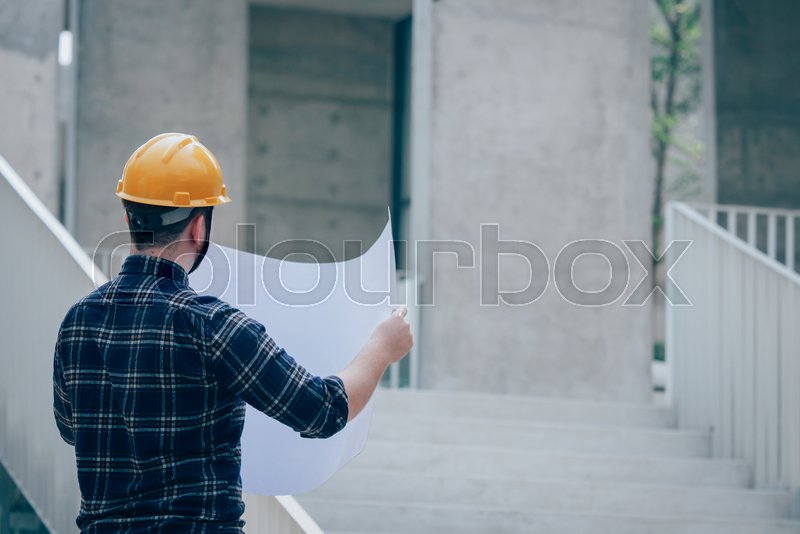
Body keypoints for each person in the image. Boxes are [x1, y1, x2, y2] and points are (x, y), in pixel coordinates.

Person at [52, 133, 412, 532]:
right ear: (198, 226)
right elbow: (322, 412)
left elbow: (70, 428)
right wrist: (382, 347)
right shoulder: (212, 326)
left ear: (128, 219)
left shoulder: (77, 322)